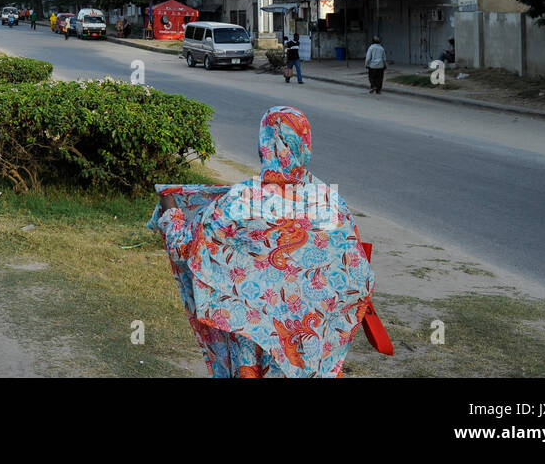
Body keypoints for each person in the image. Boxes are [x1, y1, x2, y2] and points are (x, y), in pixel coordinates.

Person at [150, 106, 376, 377]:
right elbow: (358, 276)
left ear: (264, 145)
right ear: (304, 144)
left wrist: (171, 209)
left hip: (254, 337)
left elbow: (185, 248)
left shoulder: (241, 202)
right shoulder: (330, 202)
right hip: (311, 344)